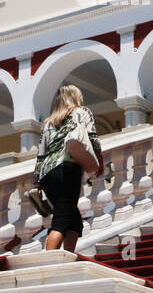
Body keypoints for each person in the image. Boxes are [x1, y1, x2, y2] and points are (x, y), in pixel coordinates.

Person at [32, 86, 103, 252]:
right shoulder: (82, 112)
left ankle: (68, 256)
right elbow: (92, 137)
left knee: (74, 220)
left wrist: (38, 183)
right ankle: (49, 261)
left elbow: (41, 153)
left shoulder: (49, 121)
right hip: (67, 169)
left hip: (47, 174)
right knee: (62, 219)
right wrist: (99, 159)